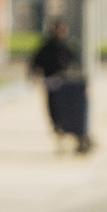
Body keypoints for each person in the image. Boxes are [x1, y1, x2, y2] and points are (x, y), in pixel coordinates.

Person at [28, 19, 91, 154]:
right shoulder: (47, 46)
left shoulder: (66, 46)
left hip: (67, 86)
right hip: (52, 84)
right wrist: (33, 76)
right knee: (54, 111)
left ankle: (76, 138)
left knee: (69, 112)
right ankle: (59, 135)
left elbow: (75, 62)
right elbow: (35, 62)